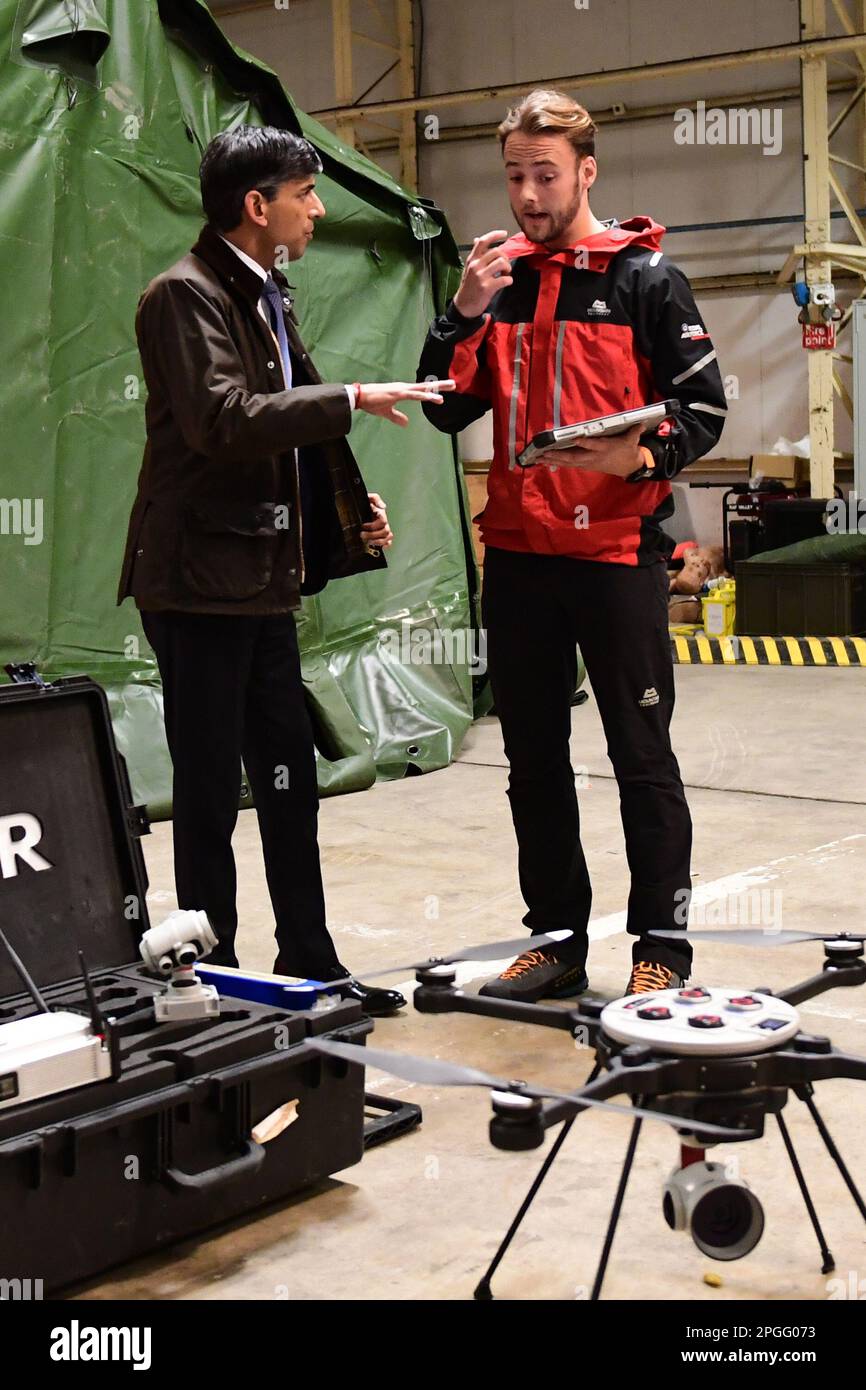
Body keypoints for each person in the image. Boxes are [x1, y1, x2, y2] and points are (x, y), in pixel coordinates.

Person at [118, 124, 453, 1016]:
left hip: (259, 581)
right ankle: (209, 977)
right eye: (305, 194)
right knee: (206, 791)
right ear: (256, 206)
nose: (320, 209)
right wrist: (354, 397)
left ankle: (310, 958)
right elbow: (224, 421)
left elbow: (283, 430)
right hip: (197, 586)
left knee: (287, 779)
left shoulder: (265, 291)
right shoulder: (183, 296)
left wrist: (343, 513)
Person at [418, 90, 727, 1001]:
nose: (527, 194)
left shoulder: (646, 281)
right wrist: (461, 311)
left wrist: (640, 454)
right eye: (515, 175)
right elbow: (445, 409)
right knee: (533, 762)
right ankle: (554, 942)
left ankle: (662, 950)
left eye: (545, 175)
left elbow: (703, 409)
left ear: (586, 172)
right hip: (519, 559)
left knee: (642, 756)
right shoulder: (497, 282)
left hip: (618, 557)